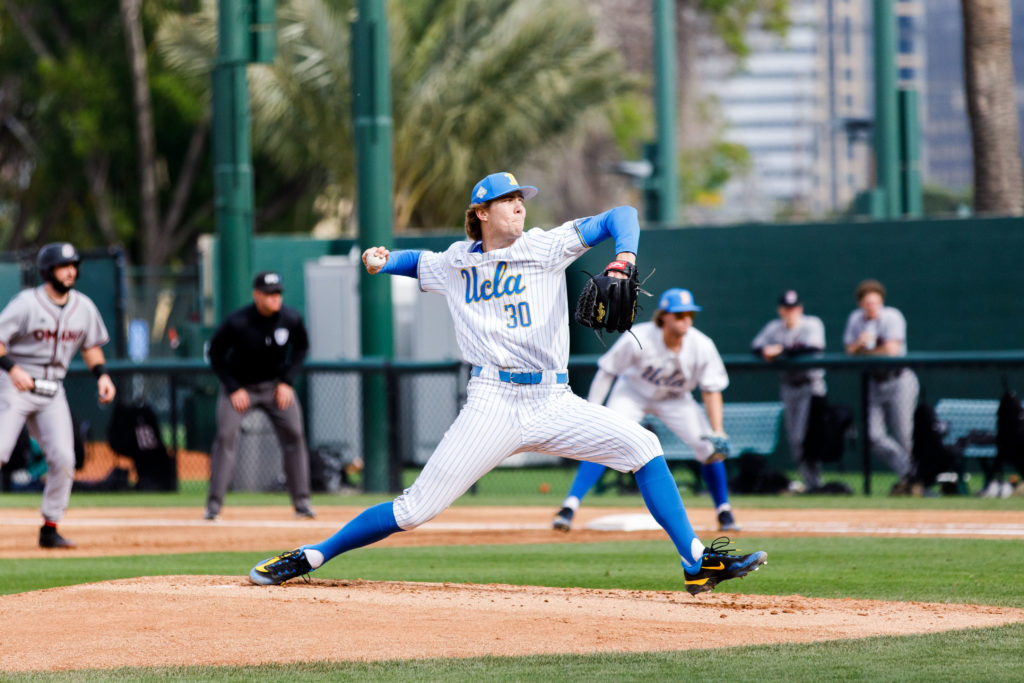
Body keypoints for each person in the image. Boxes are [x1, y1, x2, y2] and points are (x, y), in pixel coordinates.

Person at [249, 172, 767, 593]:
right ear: (481, 212)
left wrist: (623, 257)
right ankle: (311, 555)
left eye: (522, 198)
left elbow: (621, 216)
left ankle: (696, 560)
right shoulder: (456, 261)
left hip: (552, 397)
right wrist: (383, 260)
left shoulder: (546, 247)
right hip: (492, 401)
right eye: (508, 199)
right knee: (414, 510)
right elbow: (418, 262)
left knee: (644, 446)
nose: (520, 205)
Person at [552, 287, 740, 533]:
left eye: (689, 314)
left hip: (675, 399)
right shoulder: (639, 337)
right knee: (603, 439)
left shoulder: (701, 345)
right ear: (664, 315)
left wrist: (718, 429)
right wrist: (593, 410)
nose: (686, 319)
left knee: (709, 446)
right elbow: (607, 370)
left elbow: (711, 389)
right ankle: (569, 506)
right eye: (679, 314)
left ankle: (724, 511)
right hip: (633, 393)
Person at [0, 242, 117, 548]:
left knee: (65, 459)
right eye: (63, 266)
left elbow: (91, 346)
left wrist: (102, 375)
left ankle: (50, 529)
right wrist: (13, 370)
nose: (70, 271)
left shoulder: (83, 306)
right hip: (15, 382)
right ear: (47, 271)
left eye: (73, 265)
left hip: (52, 388)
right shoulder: (27, 303)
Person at [205, 271, 315, 520]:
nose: (275, 298)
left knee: (295, 436)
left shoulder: (290, 318)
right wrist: (233, 387)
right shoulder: (238, 322)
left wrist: (287, 381)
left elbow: (301, 348)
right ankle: (213, 506)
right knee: (225, 437)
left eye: (277, 293)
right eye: (269, 294)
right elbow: (215, 354)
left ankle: (302, 503)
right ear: (256, 295)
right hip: (240, 389)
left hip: (275, 388)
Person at [843, 279, 918, 493]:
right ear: (860, 304)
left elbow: (892, 351)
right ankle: (909, 473)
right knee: (872, 435)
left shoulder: (892, 316)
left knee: (904, 434)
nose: (872, 307)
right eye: (868, 303)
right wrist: (859, 344)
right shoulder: (855, 319)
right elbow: (849, 351)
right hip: (874, 382)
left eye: (876, 302)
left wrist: (864, 351)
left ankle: (914, 480)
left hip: (898, 380)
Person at [751, 289, 827, 491]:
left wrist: (781, 351)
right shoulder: (774, 328)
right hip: (789, 387)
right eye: (786, 308)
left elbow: (813, 349)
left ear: (800, 309)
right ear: (780, 310)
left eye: (794, 308)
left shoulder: (812, 324)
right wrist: (766, 351)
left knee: (808, 438)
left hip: (812, 388)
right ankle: (810, 483)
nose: (790, 312)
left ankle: (815, 482)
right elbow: (756, 347)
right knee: (795, 438)